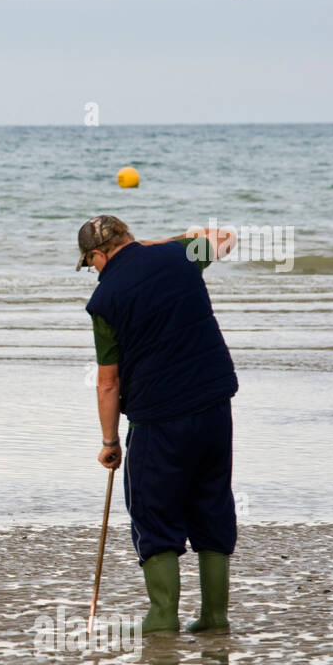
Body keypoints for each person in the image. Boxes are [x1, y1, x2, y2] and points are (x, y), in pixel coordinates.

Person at [78, 215, 238, 633]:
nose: (94, 270)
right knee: (212, 501)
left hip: (159, 415)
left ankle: (163, 617)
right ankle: (214, 617)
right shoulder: (180, 255)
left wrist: (109, 441)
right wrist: (155, 243)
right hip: (214, 403)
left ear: (97, 254)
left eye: (91, 262)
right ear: (127, 238)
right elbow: (225, 236)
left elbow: (108, 382)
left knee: (154, 508)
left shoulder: (105, 299)